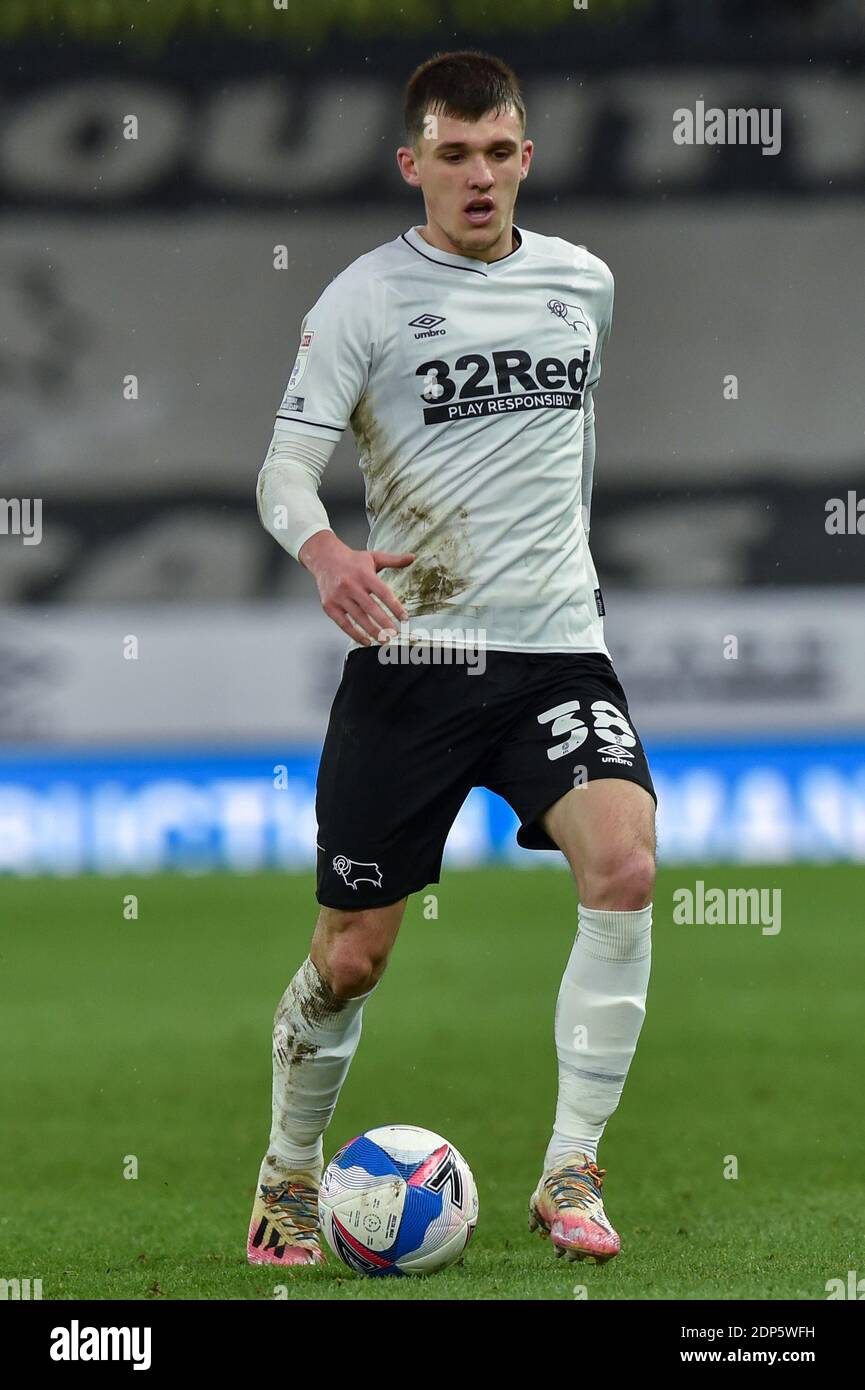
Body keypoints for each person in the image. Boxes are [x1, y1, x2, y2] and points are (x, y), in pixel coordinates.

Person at [250, 49, 656, 1268]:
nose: (477, 177)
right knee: (351, 954)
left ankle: (571, 1168)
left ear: (524, 157)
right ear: (411, 163)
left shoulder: (583, 284)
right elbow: (280, 470)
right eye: (453, 154)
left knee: (626, 864)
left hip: (554, 655)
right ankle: (286, 1172)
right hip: (413, 659)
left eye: (498, 153)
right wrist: (325, 552)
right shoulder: (365, 298)